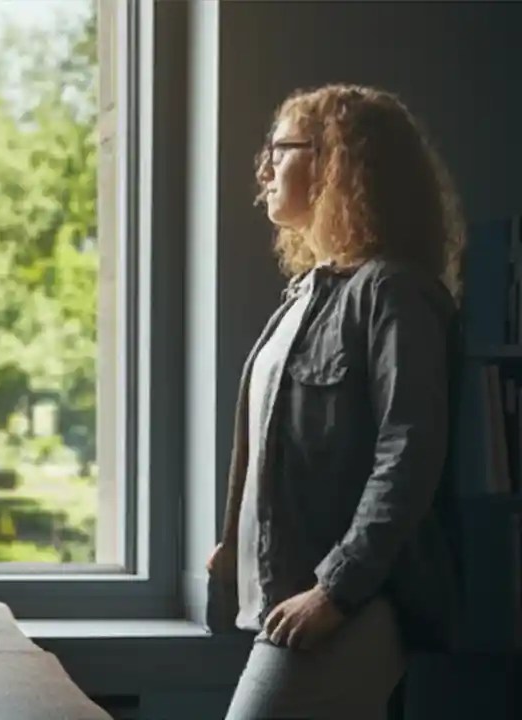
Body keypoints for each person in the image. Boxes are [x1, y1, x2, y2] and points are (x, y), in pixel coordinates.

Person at [209, 84, 465, 719]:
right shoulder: (308, 293)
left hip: (353, 602)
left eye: (281, 149)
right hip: (302, 594)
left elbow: (408, 454)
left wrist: (335, 589)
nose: (264, 168)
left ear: (335, 163)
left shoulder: (393, 292)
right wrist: (235, 542)